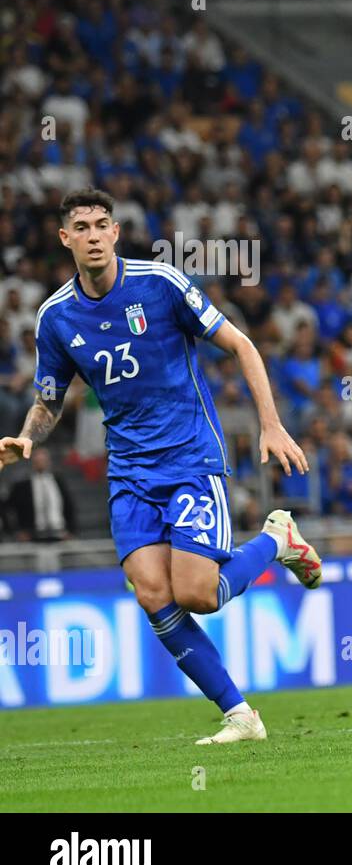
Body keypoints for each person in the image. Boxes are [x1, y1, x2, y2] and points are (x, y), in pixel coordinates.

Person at [0, 188, 322, 745]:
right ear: (65, 238)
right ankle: (240, 716)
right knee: (152, 592)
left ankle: (277, 538)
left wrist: (270, 425)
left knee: (198, 593)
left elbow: (241, 345)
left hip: (190, 457)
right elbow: (49, 399)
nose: (95, 234)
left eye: (104, 223)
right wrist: (28, 439)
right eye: (83, 226)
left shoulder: (161, 283)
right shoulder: (54, 317)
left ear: (116, 232)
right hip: (128, 470)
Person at [5, 445, 77, 541]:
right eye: (37, 461)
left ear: (49, 462)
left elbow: (69, 507)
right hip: (32, 536)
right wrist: (16, 531)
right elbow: (7, 508)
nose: (40, 463)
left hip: (59, 533)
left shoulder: (58, 481)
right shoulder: (22, 485)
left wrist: (71, 531)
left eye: (43, 460)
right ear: (32, 463)